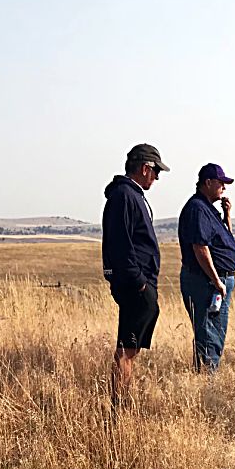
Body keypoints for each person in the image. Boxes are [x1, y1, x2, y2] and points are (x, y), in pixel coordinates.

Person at [101, 142, 169, 405]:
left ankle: (122, 403)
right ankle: (119, 407)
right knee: (126, 351)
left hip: (137, 284)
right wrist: (139, 281)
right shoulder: (124, 196)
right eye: (156, 171)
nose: (157, 177)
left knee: (130, 349)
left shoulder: (130, 195)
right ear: (144, 168)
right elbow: (121, 243)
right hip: (134, 285)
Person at [177, 163, 235, 372]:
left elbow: (225, 240)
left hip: (215, 282)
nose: (224, 187)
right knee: (209, 335)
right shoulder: (197, 209)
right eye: (221, 183)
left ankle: (205, 377)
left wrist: (227, 216)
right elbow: (200, 248)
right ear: (208, 182)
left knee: (215, 333)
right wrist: (216, 281)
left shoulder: (209, 209)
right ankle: (206, 382)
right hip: (205, 282)